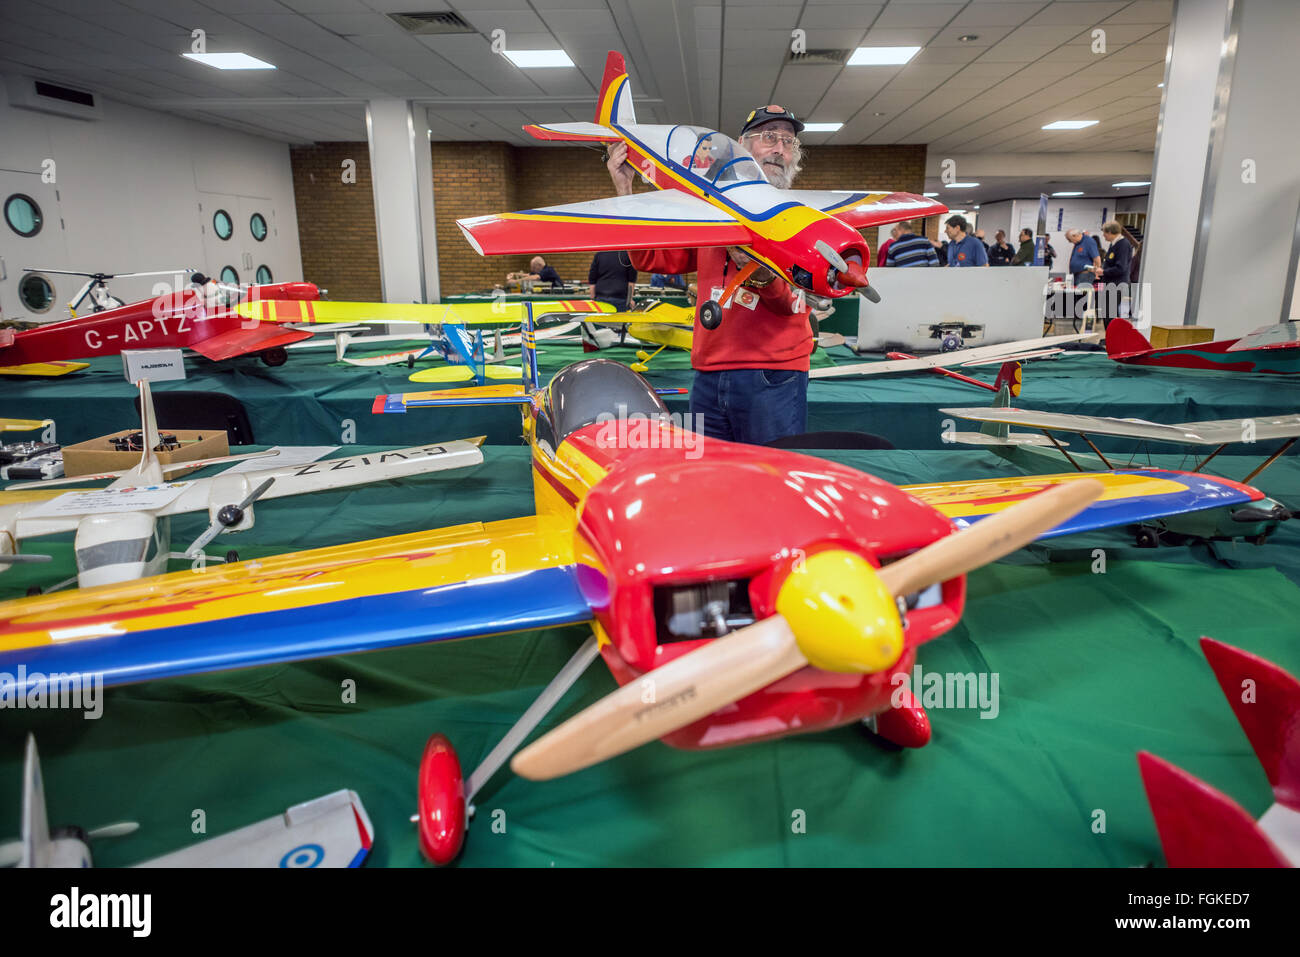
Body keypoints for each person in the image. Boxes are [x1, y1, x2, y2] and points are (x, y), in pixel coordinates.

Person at [607, 104, 812, 444]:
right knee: (708, 481)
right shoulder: (709, 209)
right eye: (769, 137)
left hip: (773, 374)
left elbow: (797, 301)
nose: (779, 148)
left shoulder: (801, 217)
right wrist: (625, 191)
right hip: (709, 371)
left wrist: (758, 272)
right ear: (741, 145)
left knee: (770, 481)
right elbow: (651, 257)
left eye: (788, 142)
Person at [1096, 220, 1133, 325]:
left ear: (1110, 232)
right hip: (1109, 283)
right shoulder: (1114, 244)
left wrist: (1104, 271)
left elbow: (1121, 267)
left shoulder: (1123, 244)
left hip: (1116, 284)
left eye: (1104, 233)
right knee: (1106, 312)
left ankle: (1112, 338)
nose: (1103, 235)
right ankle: (1108, 336)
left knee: (1110, 313)